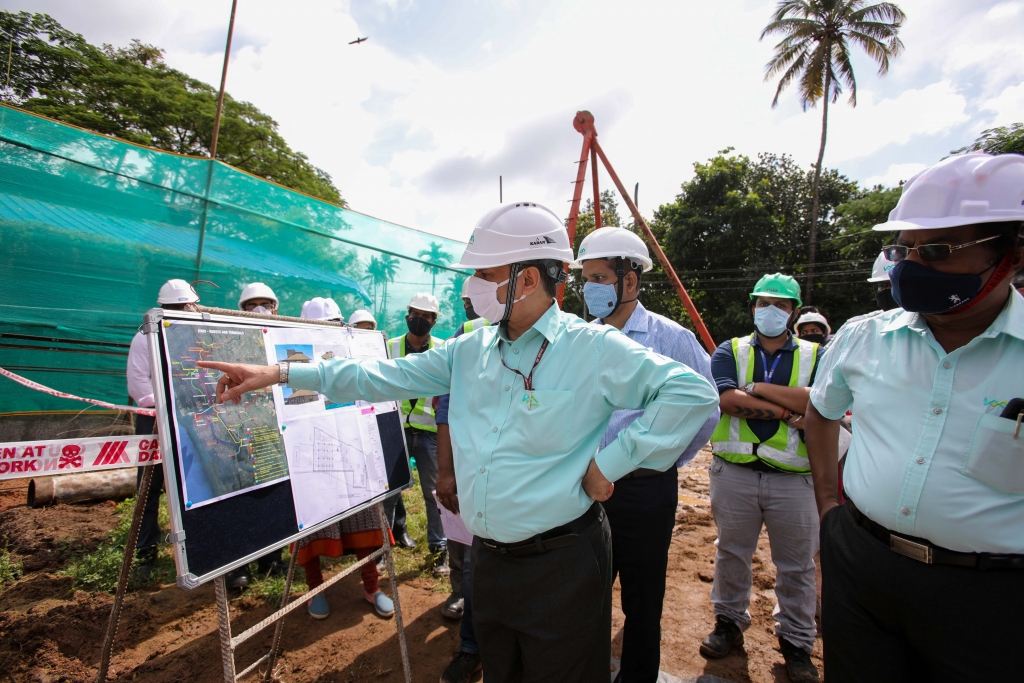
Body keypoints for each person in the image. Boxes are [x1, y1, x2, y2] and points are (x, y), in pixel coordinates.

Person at [197, 200, 719, 683]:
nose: (472, 285)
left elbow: (693, 394)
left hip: (563, 565)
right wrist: (277, 373)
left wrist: (612, 462)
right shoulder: (468, 351)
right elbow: (379, 375)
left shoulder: (592, 348)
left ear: (528, 277)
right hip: (489, 563)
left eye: (486, 274)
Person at [804, 153, 1024, 682]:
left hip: (988, 595)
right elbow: (820, 415)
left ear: (1014, 254)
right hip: (861, 561)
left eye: (939, 250)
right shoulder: (864, 337)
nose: (911, 267)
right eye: (905, 249)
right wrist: (830, 509)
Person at [574, 226, 720, 683]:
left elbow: (707, 410)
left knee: (642, 600)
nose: (589, 288)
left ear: (630, 280)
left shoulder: (670, 339)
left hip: (643, 494)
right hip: (582, 490)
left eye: (599, 278)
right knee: (584, 595)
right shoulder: (581, 338)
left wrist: (665, 462)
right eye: (586, 278)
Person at [702, 273, 822, 683]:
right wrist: (790, 412)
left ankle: (797, 643)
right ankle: (729, 623)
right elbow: (728, 400)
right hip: (734, 473)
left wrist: (757, 388)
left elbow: (817, 401)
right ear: (752, 306)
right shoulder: (728, 350)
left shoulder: (815, 355)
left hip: (794, 478)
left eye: (781, 304)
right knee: (731, 552)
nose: (771, 311)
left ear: (794, 311)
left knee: (796, 566)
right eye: (763, 303)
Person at [294, 301, 393, 620]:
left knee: (364, 519)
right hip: (311, 457)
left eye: (334, 325)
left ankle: (372, 587)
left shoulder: (354, 359)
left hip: (355, 450)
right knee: (311, 525)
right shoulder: (294, 362)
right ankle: (315, 590)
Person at [126, 279, 201, 581]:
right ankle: (145, 553)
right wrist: (167, 405)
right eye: (177, 307)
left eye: (185, 307)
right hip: (155, 417)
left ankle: (196, 547)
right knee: (149, 487)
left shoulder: (197, 334)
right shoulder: (146, 337)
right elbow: (138, 384)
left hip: (192, 416)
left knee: (192, 483)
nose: (184, 311)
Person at [435, 283, 491, 683]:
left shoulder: (562, 335)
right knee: (475, 565)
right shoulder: (466, 337)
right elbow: (446, 406)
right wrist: (447, 471)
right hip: (476, 475)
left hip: (527, 486)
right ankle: (471, 648)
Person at [384, 292, 449, 575]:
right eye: (415, 313)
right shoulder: (388, 346)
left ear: (435, 321)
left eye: (426, 316)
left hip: (429, 433)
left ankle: (440, 550)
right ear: (407, 313)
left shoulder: (444, 349)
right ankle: (381, 549)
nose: (419, 320)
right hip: (394, 430)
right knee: (387, 494)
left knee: (435, 495)